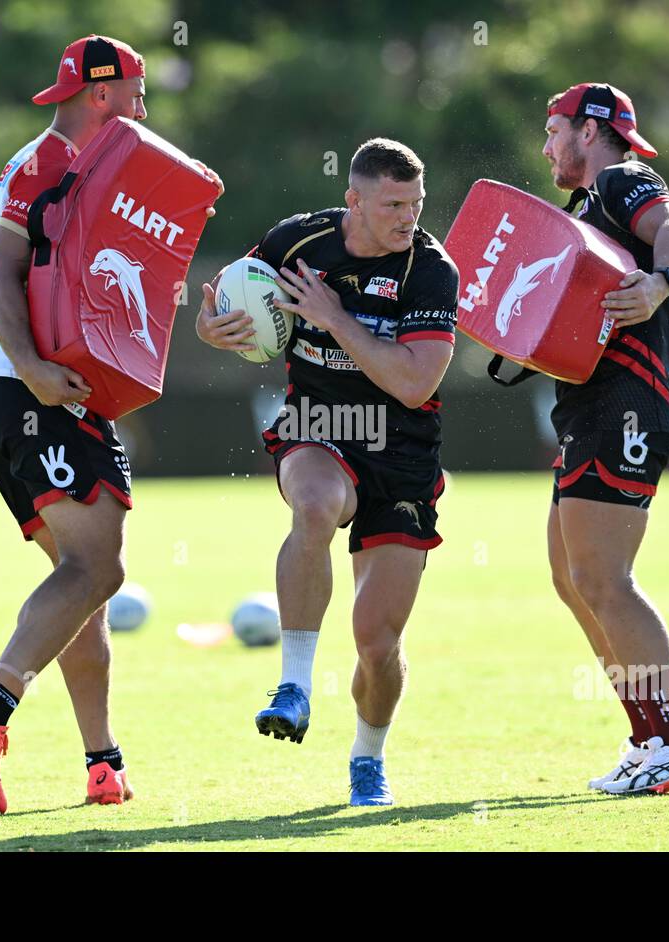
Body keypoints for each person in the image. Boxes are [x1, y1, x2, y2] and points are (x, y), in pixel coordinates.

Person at [0, 34, 222, 814]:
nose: (144, 108)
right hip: (28, 393)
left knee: (84, 587)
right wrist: (31, 367)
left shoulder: (112, 175)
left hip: (46, 397)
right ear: (103, 92)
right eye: (137, 93)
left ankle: (102, 760)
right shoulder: (42, 162)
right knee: (99, 570)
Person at [195, 138, 458, 806]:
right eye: (393, 204)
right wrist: (212, 327)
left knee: (377, 643)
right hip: (320, 425)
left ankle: (368, 756)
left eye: (416, 203)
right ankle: (293, 684)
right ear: (354, 201)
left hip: (403, 451)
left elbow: (413, 381)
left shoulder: (431, 271)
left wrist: (334, 318)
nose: (408, 217)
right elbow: (231, 300)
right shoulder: (297, 243)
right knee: (313, 504)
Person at [540, 83, 669, 795]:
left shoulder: (621, 179)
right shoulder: (579, 210)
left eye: (553, 131)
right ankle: (648, 733)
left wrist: (661, 280)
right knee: (570, 577)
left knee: (604, 579)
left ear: (590, 130)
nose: (546, 146)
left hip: (630, 408)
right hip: (591, 408)